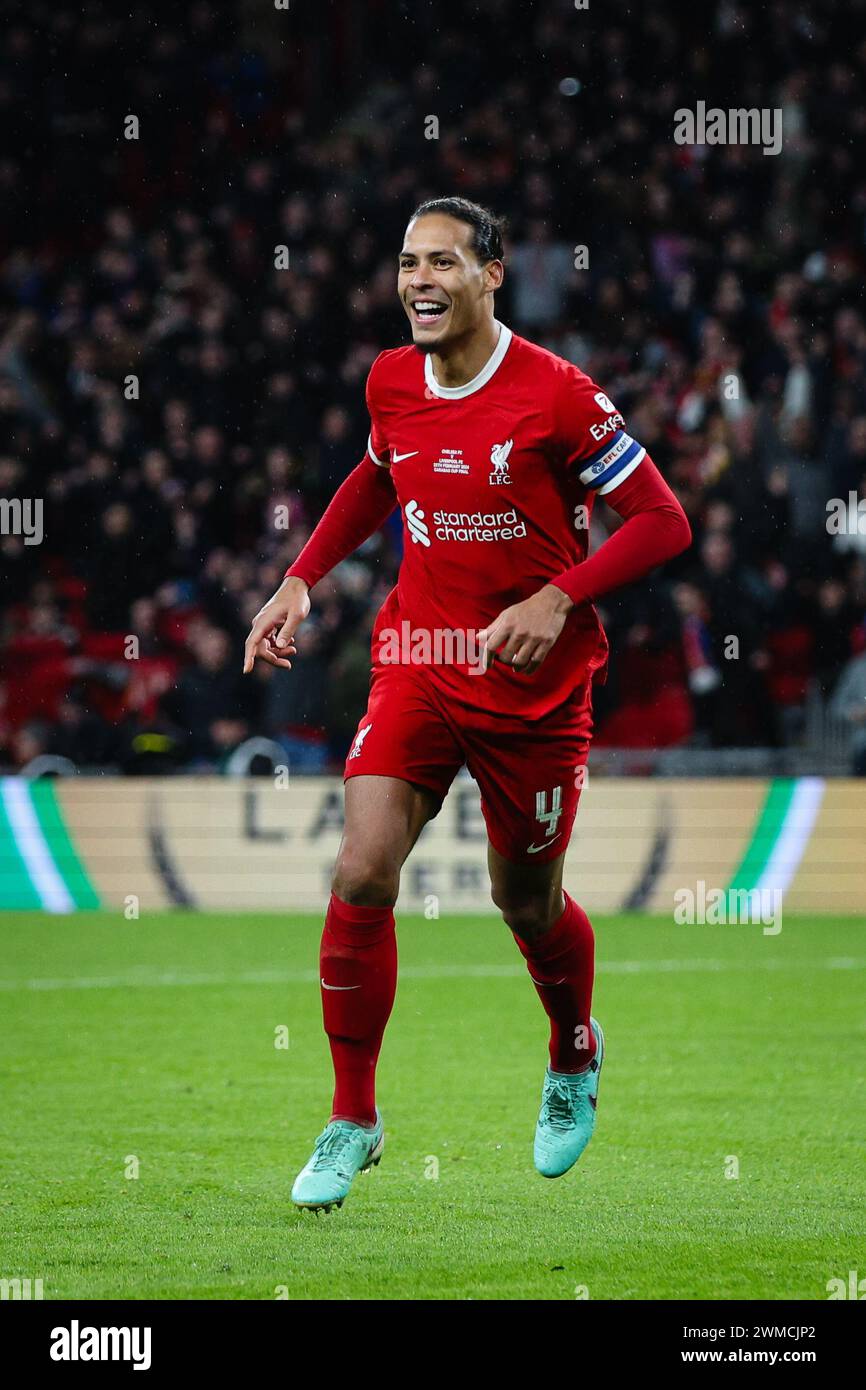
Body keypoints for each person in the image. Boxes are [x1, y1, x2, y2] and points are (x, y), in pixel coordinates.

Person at [243, 197, 692, 1211]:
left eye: (441, 262)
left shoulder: (558, 396)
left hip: (534, 689)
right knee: (360, 869)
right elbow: (374, 479)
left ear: (493, 273)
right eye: (406, 264)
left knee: (521, 903)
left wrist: (557, 594)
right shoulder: (391, 381)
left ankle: (572, 1048)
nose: (419, 283)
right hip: (416, 656)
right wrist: (300, 576)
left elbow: (663, 523)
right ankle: (353, 1118)